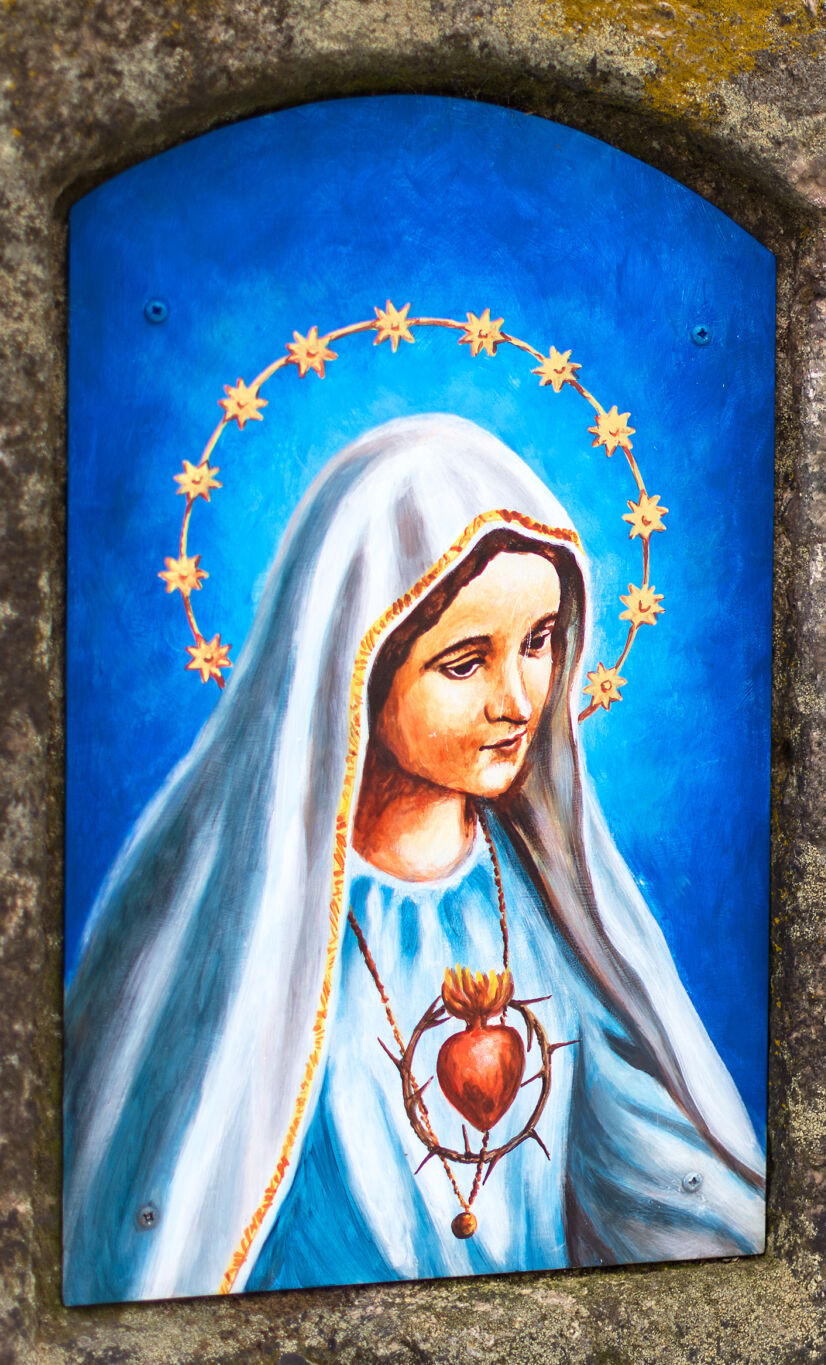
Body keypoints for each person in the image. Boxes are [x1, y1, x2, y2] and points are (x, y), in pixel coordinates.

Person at [63, 413, 765, 1304]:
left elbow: (664, 1190)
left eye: (541, 641)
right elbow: (168, 1229)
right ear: (360, 662)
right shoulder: (249, 922)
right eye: (465, 662)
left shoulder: (552, 905)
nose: (518, 699)